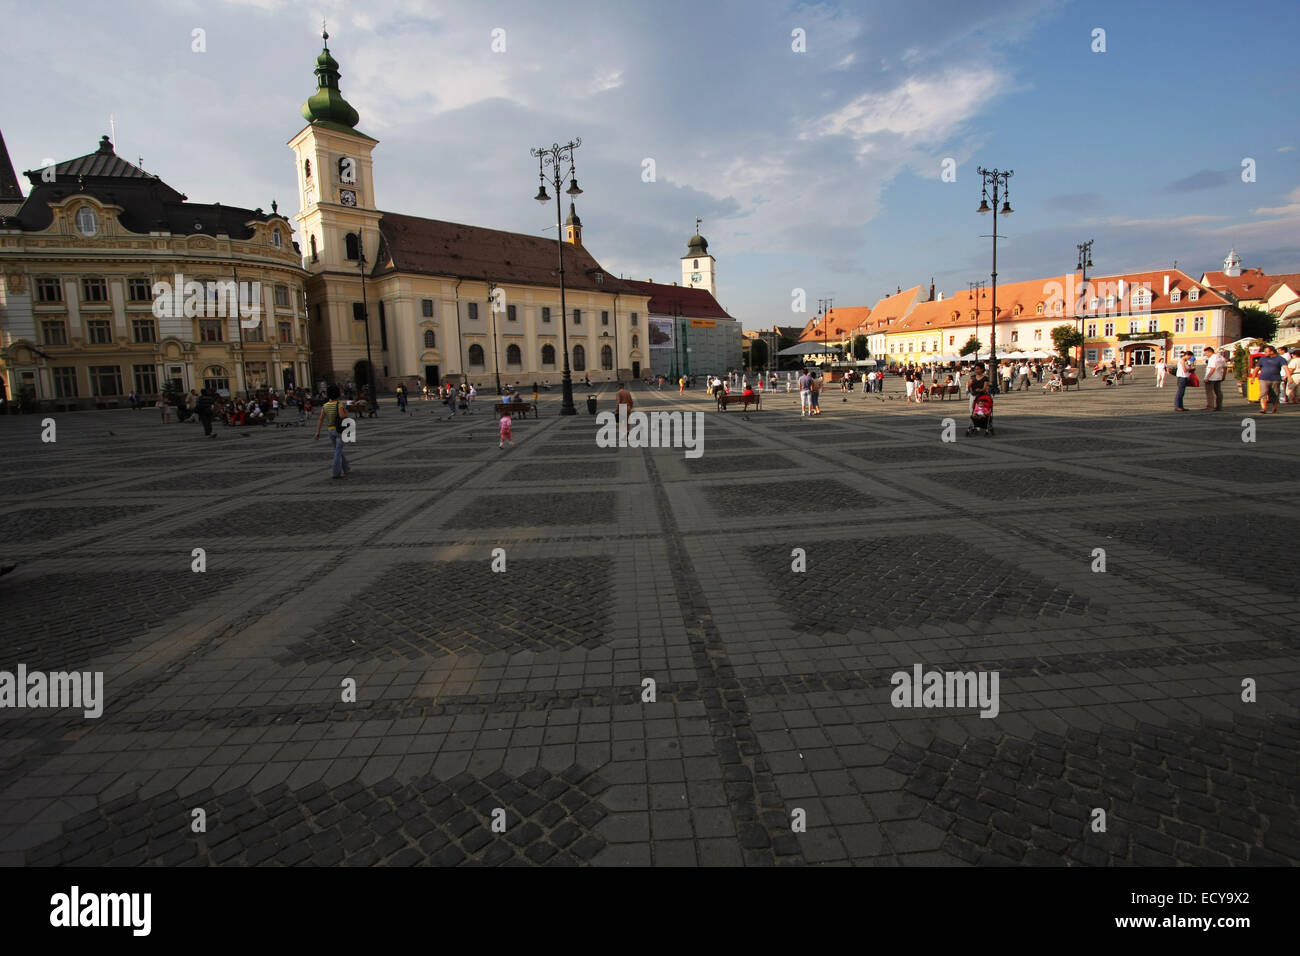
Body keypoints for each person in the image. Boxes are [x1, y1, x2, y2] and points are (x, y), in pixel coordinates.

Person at [315, 385, 351, 478]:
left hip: (330, 430)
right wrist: (346, 412)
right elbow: (342, 416)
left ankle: (346, 468)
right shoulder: (339, 404)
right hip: (339, 430)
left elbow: (321, 419)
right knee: (338, 452)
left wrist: (318, 432)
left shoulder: (325, 406)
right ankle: (336, 472)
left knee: (338, 450)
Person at [1256, 345, 1285, 414]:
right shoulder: (1262, 359)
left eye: (1266, 351)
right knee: (1263, 393)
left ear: (1272, 351)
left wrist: (1289, 377)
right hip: (1263, 379)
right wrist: (1253, 377)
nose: (1264, 353)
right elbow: (1257, 368)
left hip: (1276, 379)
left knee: (1275, 394)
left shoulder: (1280, 359)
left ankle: (1275, 408)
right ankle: (1263, 408)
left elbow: (1285, 367)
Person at [1202, 346, 1227, 411]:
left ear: (1210, 352)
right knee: (1218, 392)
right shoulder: (1220, 357)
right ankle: (1219, 406)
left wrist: (1207, 377)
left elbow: (1213, 368)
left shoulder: (1212, 358)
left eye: (1206, 353)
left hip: (1211, 378)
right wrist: (1223, 376)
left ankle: (1210, 406)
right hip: (1218, 376)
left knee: (1209, 392)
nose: (1206, 355)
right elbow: (1225, 367)